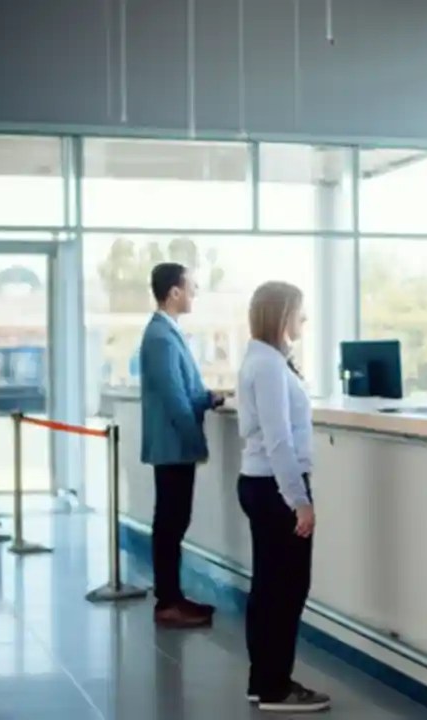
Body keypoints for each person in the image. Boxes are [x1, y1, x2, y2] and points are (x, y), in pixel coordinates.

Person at [236, 281, 331, 713]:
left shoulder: (265, 359)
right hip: (276, 489)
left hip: (262, 484)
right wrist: (299, 500)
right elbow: (278, 440)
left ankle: (264, 682)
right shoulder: (268, 366)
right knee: (287, 588)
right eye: (298, 310)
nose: (303, 318)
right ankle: (275, 687)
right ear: (280, 315)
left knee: (270, 586)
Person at [139, 262, 224, 629]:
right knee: (171, 523)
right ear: (174, 292)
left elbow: (183, 390)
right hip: (174, 447)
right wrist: (196, 444)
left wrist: (208, 398)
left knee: (174, 521)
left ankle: (172, 596)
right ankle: (168, 601)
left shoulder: (167, 332)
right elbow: (174, 399)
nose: (195, 293)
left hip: (175, 446)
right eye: (191, 287)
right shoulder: (160, 336)